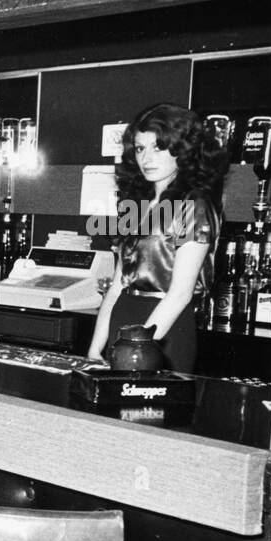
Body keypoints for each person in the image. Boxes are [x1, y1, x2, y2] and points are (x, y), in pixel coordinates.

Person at [88, 103, 228, 372]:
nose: (147, 158)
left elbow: (180, 294)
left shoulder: (192, 206)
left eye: (158, 147)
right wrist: (96, 347)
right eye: (140, 148)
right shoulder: (136, 205)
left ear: (181, 150)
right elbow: (118, 284)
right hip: (123, 320)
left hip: (164, 330)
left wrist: (137, 348)